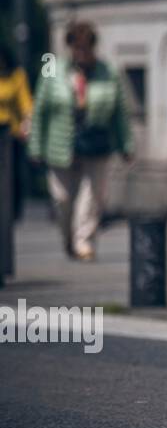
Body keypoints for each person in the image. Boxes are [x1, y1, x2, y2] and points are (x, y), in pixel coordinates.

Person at [29, 21, 134, 261]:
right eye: (77, 47)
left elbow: (120, 112)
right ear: (70, 47)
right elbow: (40, 110)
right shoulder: (53, 72)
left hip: (97, 144)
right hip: (60, 144)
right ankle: (69, 238)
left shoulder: (108, 73)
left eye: (86, 47)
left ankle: (84, 241)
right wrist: (36, 146)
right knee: (62, 198)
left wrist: (126, 145)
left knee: (92, 197)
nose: (82, 53)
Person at [0, 41, 33, 221]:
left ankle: (13, 210)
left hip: (9, 133)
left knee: (12, 173)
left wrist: (26, 124)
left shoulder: (16, 76)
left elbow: (26, 103)